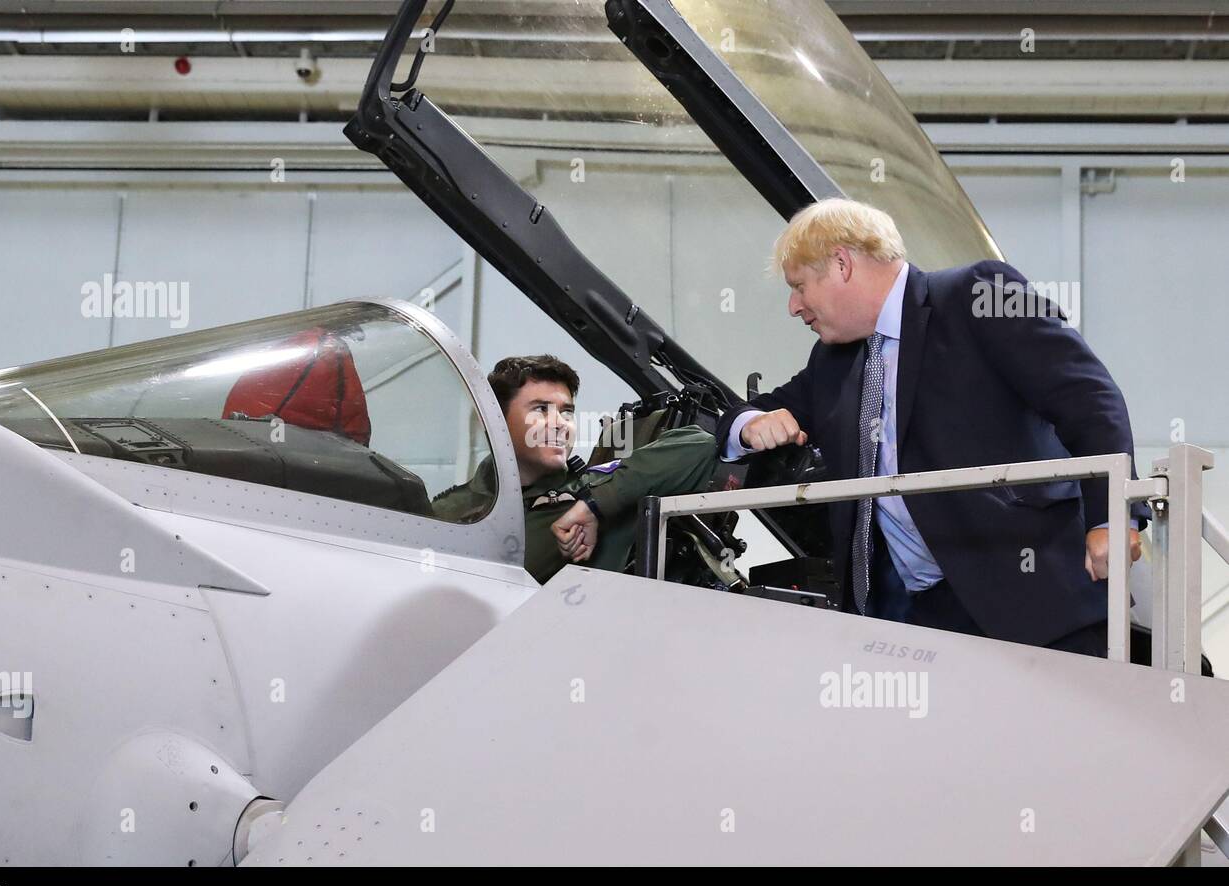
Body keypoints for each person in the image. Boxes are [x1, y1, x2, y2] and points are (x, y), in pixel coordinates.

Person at [718, 197, 1147, 657]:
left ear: (841, 264)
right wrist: (751, 426)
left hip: (1034, 603)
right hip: (910, 621)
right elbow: (748, 413)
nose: (793, 306)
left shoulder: (978, 292)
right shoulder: (833, 359)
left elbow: (1088, 399)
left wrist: (1110, 518)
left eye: (799, 286)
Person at [434, 354, 717, 584]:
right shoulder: (447, 509)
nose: (560, 423)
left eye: (567, 412)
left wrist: (592, 505)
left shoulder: (595, 493)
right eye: (540, 409)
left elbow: (700, 445)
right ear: (495, 422)